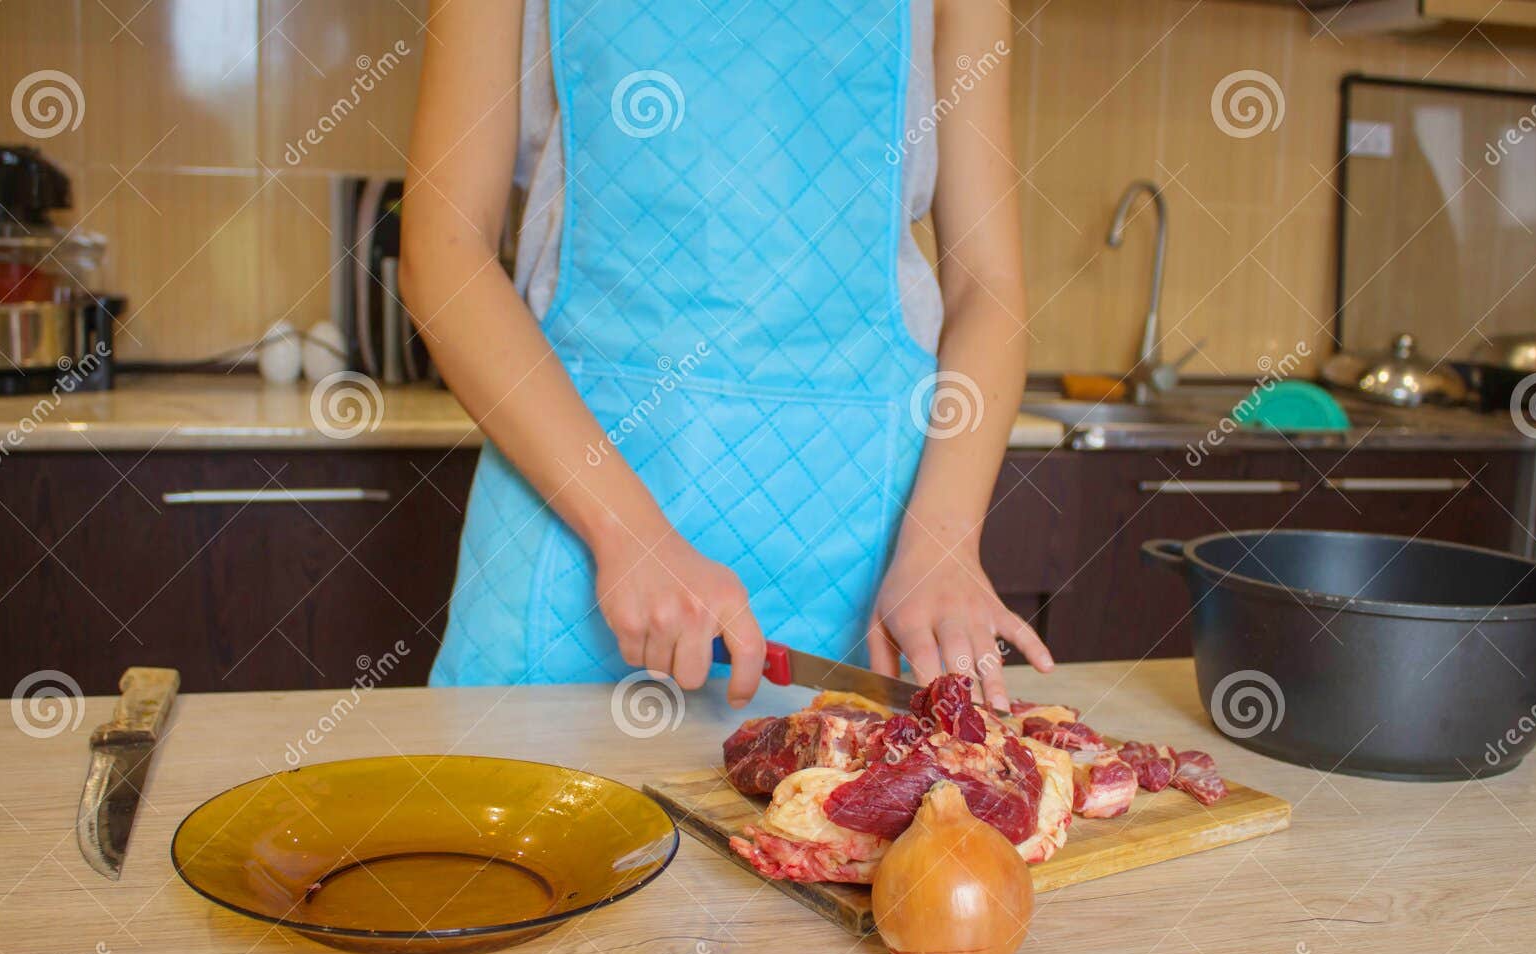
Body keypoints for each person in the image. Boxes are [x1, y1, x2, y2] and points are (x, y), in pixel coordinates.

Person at [402, 0, 1052, 712]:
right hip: (572, 549)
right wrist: (628, 533)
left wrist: (944, 540)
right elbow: (443, 257)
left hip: (859, 567)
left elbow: (986, 287)